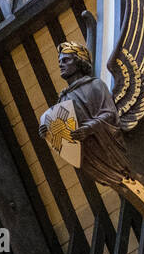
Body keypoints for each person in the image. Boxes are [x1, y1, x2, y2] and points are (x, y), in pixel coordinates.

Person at [39, 42, 131, 186]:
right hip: (89, 155)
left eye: (66, 60)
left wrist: (89, 128)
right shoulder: (63, 99)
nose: (61, 65)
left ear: (79, 61)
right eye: (59, 62)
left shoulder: (95, 85)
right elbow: (65, 132)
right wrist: (48, 132)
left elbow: (110, 114)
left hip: (107, 147)